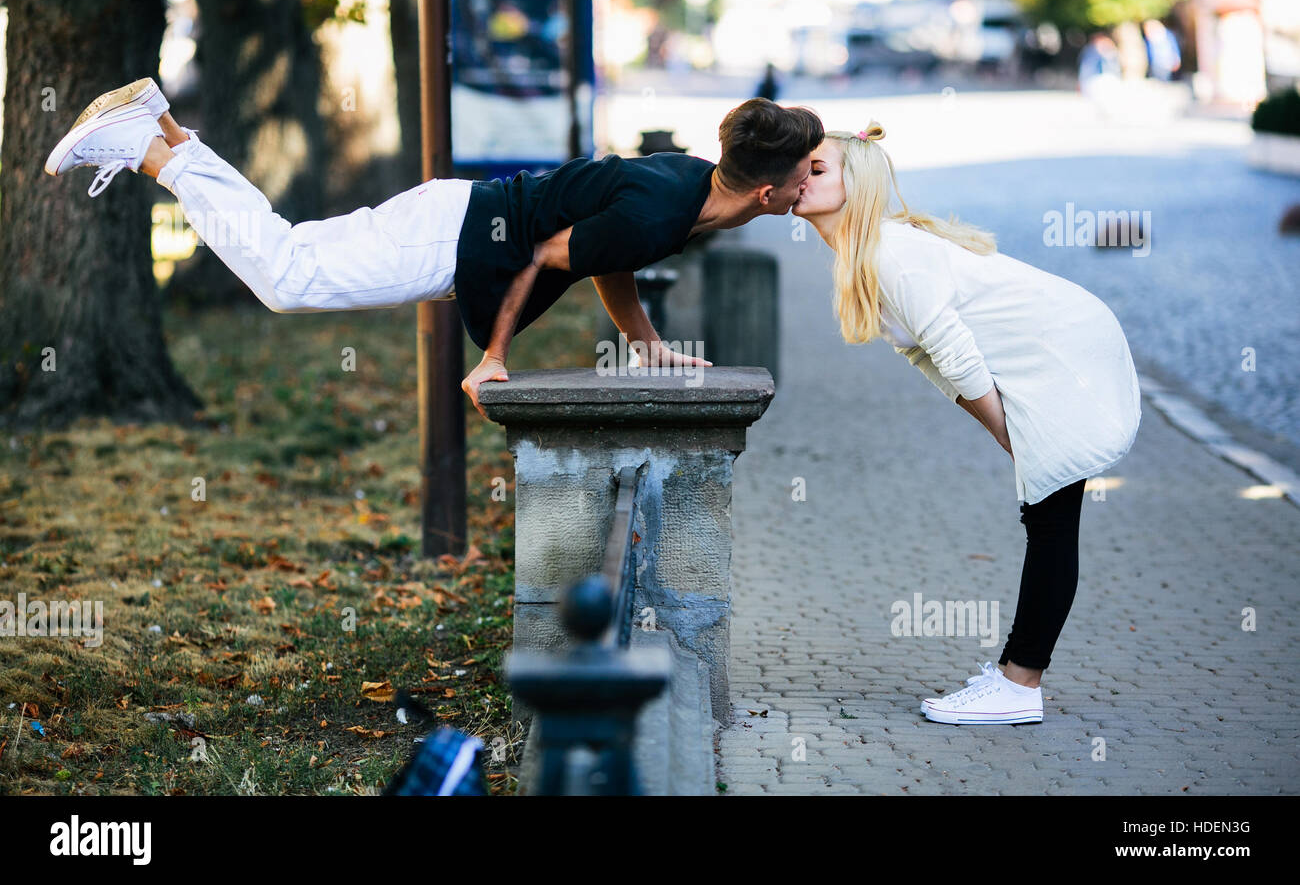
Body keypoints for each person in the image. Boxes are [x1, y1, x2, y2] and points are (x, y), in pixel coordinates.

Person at [45, 80, 824, 416]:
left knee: (288, 252)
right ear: (767, 194)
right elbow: (554, 255)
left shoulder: (688, 184)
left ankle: (163, 128)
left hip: (454, 218)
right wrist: (495, 354)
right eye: (802, 182)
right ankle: (150, 149)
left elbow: (601, 253)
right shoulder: (666, 213)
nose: (806, 192)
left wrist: (643, 342)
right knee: (284, 276)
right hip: (451, 239)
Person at [793, 122, 1141, 725]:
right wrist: (1009, 434)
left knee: (1051, 521)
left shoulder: (887, 250)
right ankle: (1017, 679)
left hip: (1065, 359)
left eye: (817, 170)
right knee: (1048, 517)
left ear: (858, 182)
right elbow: (927, 358)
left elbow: (956, 352)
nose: (800, 179)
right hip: (1042, 367)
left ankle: (1019, 685)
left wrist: (1013, 434)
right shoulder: (864, 253)